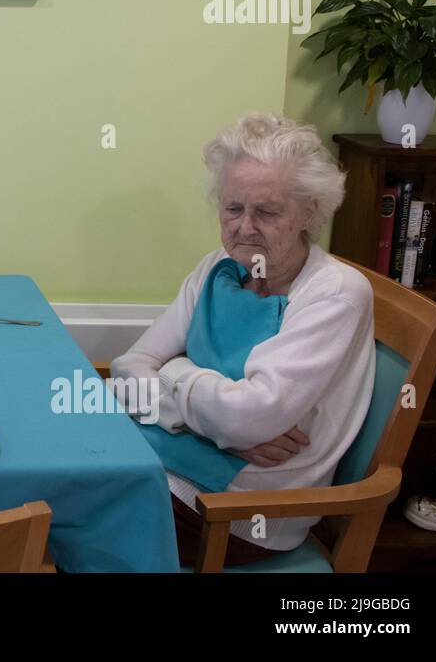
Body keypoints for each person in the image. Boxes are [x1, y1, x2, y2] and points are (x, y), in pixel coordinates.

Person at [111, 113, 375, 565]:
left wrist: (174, 375)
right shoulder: (218, 267)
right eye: (233, 208)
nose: (244, 227)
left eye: (267, 211)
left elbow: (247, 419)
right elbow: (127, 372)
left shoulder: (334, 293)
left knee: (67, 507)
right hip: (167, 467)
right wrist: (213, 420)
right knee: (58, 481)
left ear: (309, 210)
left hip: (241, 513)